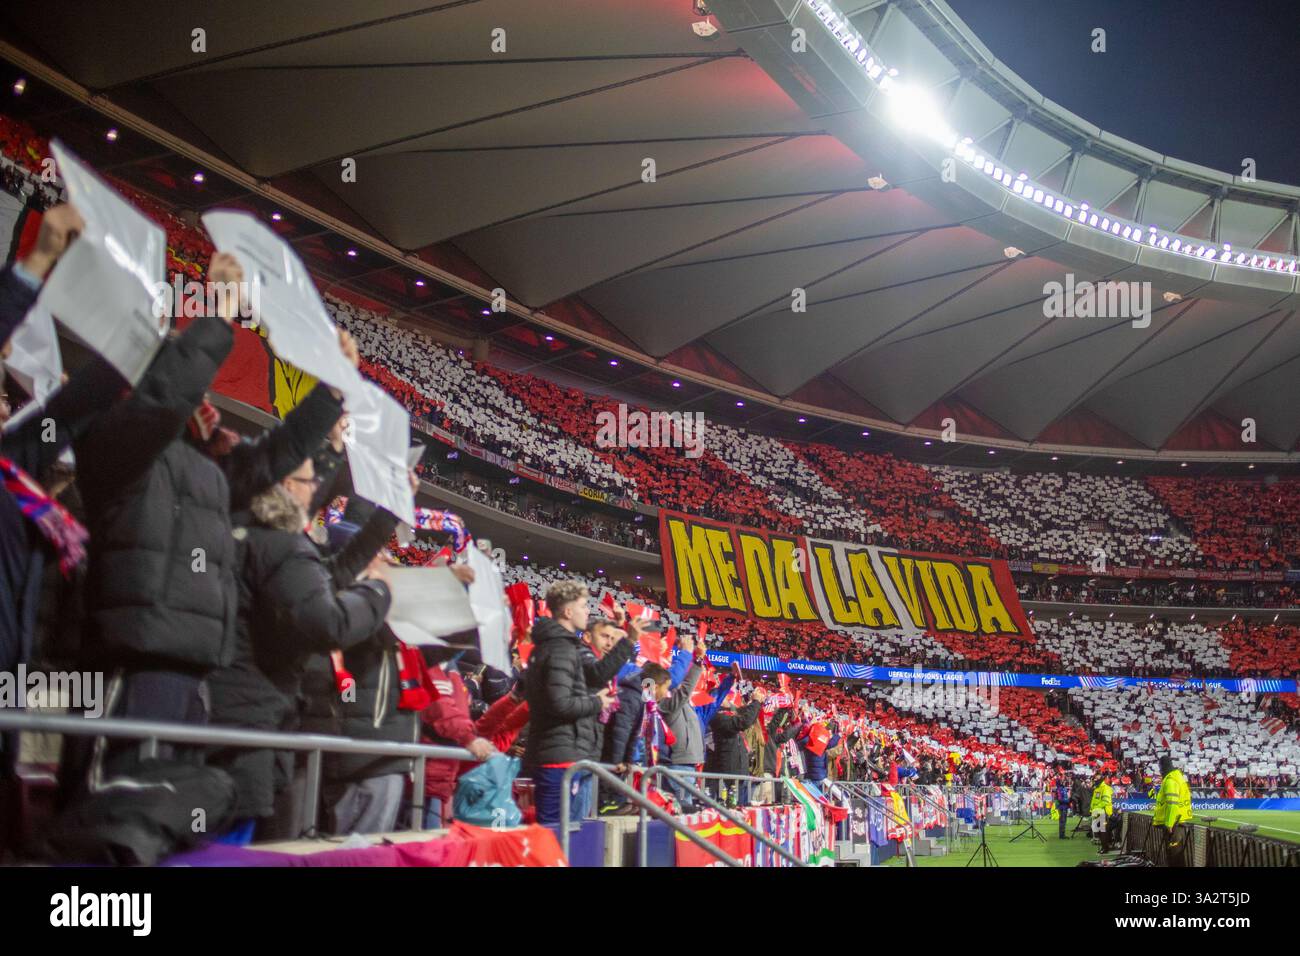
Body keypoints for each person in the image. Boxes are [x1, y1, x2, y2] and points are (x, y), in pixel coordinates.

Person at [203, 456, 393, 838]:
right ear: (288, 486)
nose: (315, 490)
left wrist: (386, 515)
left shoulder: (250, 537)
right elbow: (329, 623)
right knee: (230, 852)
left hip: (239, 721)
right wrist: (377, 590)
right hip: (246, 729)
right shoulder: (280, 547)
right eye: (309, 481)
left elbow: (330, 577)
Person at [522, 580, 615, 826]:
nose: (587, 611)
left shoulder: (552, 646)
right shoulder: (560, 649)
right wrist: (596, 702)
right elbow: (559, 703)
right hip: (559, 759)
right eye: (583, 606)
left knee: (564, 838)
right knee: (558, 837)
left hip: (560, 754)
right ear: (567, 611)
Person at [646, 642, 705, 812]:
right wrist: (696, 660)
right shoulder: (664, 703)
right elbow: (685, 690)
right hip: (676, 764)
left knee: (683, 811)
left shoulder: (681, 704)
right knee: (679, 811)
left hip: (688, 764)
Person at [706, 676, 765, 805]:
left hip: (740, 772)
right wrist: (755, 703)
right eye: (726, 696)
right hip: (729, 774)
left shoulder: (728, 714)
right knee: (731, 809)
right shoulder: (717, 718)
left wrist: (754, 702)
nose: (729, 698)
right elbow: (743, 721)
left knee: (742, 810)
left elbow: (742, 712)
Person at [1152, 755, 1193, 866]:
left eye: (1160, 768)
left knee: (1174, 854)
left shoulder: (1170, 780)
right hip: (1175, 821)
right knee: (1174, 852)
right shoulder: (1173, 777)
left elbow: (1172, 804)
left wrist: (1169, 823)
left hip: (1174, 823)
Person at [1090, 772, 1114, 852]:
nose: (1095, 780)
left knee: (1103, 831)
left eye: (1096, 778)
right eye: (1094, 778)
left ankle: (1105, 848)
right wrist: (1092, 809)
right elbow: (1094, 800)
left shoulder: (1105, 788)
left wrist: (1096, 808)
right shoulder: (1097, 788)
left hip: (1103, 812)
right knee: (1099, 831)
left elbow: (1106, 801)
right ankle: (1104, 847)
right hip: (1097, 812)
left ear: (1101, 779)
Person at [1053, 771, 1071, 839]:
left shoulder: (1063, 789)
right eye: (1062, 781)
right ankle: (1062, 835)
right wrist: (1068, 801)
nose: (1064, 781)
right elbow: (1060, 799)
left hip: (1064, 806)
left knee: (1063, 821)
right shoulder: (1060, 789)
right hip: (1062, 807)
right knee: (1062, 821)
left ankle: (1062, 834)